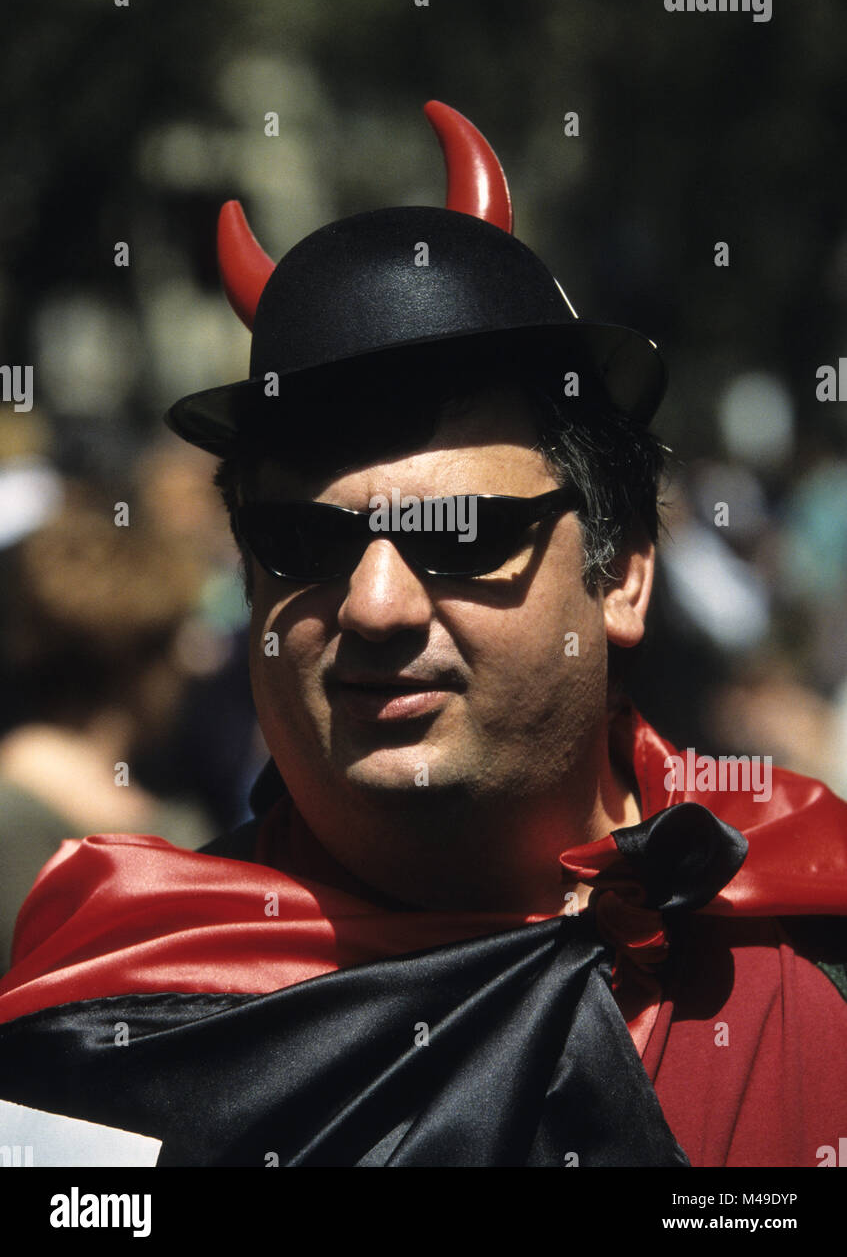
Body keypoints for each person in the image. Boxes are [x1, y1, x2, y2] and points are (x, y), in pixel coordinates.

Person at [0, 102, 844, 1168]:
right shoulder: (112, 1032)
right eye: (300, 539)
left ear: (623, 569)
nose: (375, 604)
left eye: (464, 534)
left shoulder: (810, 939)